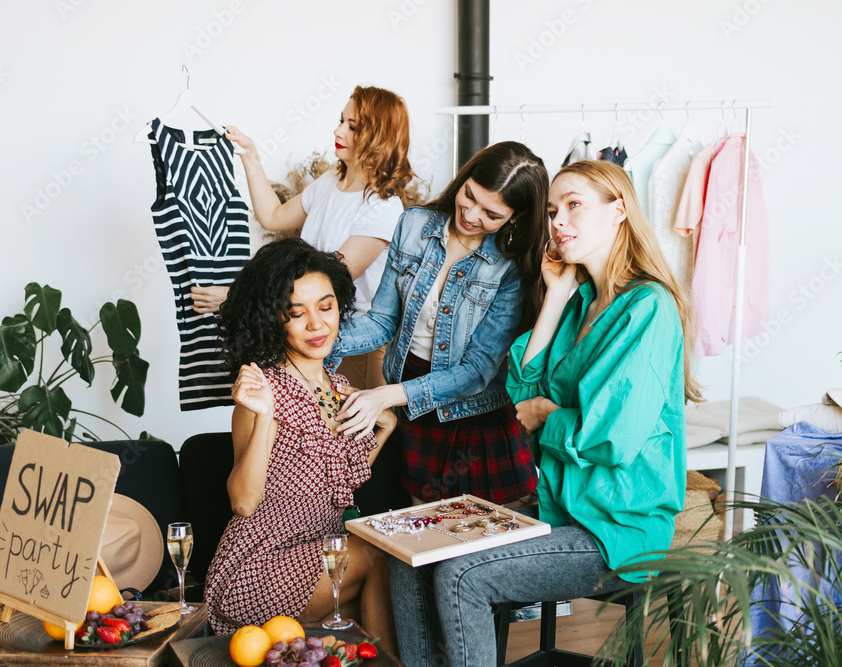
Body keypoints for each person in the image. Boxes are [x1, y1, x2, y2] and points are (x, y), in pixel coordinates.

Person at [388, 160, 703, 666]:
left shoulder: (649, 307)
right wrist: (555, 298)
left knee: (461, 573)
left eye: (575, 205)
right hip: (560, 507)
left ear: (618, 210)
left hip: (615, 530)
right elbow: (523, 396)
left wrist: (547, 416)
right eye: (554, 210)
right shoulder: (579, 305)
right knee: (410, 551)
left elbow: (610, 438)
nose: (558, 221)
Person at [325, 141, 550, 505]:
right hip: (411, 399)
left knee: (477, 541)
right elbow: (383, 320)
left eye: (491, 214)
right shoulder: (413, 225)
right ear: (464, 178)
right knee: (419, 529)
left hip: (475, 414)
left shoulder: (511, 266)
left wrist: (385, 394)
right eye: (469, 195)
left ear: (516, 218)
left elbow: (477, 371)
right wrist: (321, 342)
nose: (472, 214)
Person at [203, 238, 398, 649]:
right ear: (274, 319)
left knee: (375, 557)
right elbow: (243, 502)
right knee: (374, 553)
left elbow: (342, 481)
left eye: (326, 307)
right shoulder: (261, 390)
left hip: (319, 557)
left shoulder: (339, 389)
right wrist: (266, 416)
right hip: (253, 571)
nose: (316, 324)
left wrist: (386, 422)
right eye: (297, 313)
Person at [191, 85, 415, 391]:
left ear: (377, 137)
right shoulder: (328, 183)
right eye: (341, 120)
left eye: (352, 126)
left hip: (353, 347)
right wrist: (251, 158)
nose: (338, 130)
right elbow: (273, 216)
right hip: (312, 338)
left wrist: (237, 295)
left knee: (354, 435)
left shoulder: (383, 207)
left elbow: (330, 281)